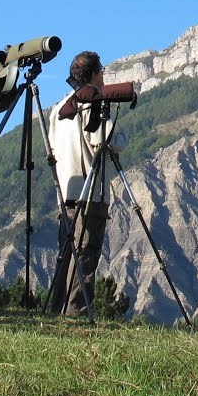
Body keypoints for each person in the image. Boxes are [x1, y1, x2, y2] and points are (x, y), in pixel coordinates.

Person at [47, 50, 114, 317]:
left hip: (65, 190)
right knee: (86, 254)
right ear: (96, 73)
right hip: (90, 189)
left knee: (66, 253)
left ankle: (56, 307)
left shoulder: (59, 107)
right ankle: (77, 310)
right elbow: (102, 140)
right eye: (102, 70)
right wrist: (121, 138)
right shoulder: (92, 101)